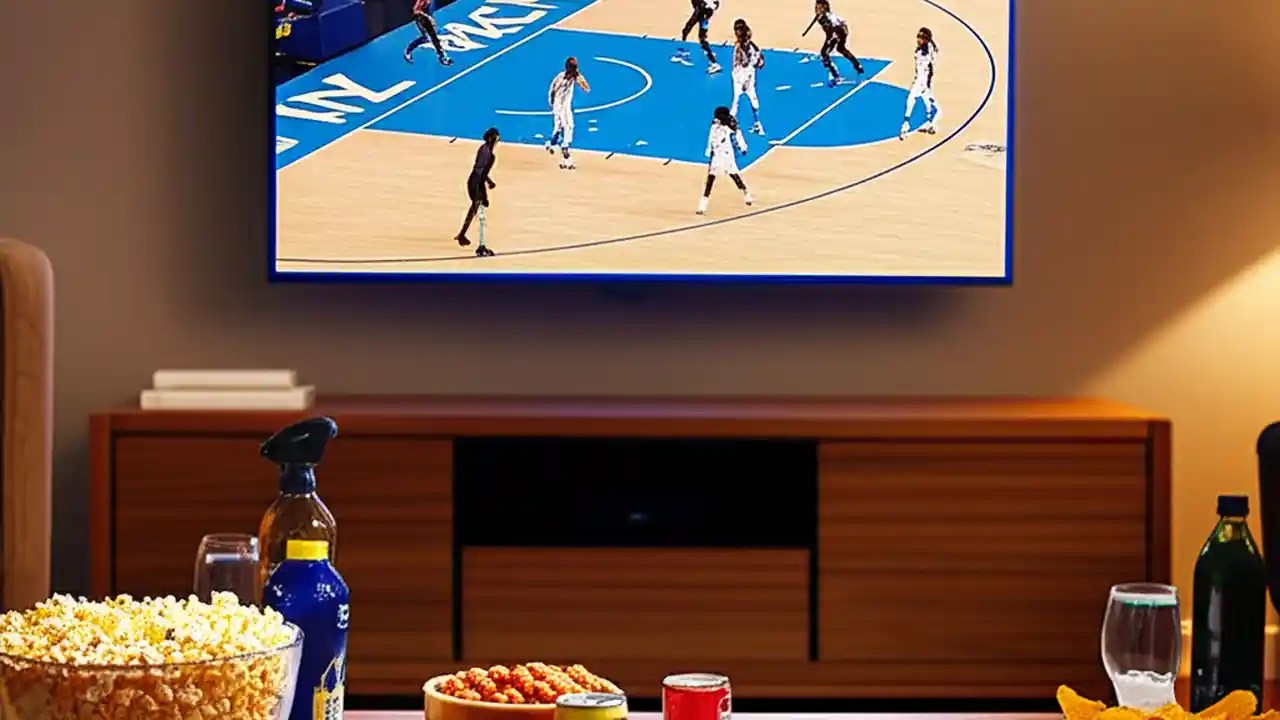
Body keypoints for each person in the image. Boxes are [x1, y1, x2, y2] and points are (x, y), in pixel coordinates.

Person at [698, 106, 753, 215]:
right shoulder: (714, 126)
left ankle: (745, 192)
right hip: (716, 154)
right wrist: (709, 149)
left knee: (734, 175)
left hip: (727, 155)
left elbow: (738, 137)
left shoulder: (730, 128)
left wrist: (743, 147)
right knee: (711, 178)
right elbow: (711, 137)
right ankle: (703, 202)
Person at [456, 128, 499, 256]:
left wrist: (488, 182)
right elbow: (483, 174)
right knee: (481, 217)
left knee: (474, 210)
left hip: (471, 180)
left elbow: (478, 169)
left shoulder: (482, 148)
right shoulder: (491, 156)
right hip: (477, 184)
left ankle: (462, 234)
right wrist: (486, 191)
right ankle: (481, 247)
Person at [545, 57, 590, 170]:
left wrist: (580, 79)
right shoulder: (560, 79)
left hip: (562, 107)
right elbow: (552, 91)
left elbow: (586, 87)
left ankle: (551, 144)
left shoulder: (573, 77)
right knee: (566, 128)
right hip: (560, 108)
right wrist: (552, 105)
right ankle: (566, 158)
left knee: (561, 129)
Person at [811, 0, 864, 87]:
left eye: (819, 7)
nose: (816, 9)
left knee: (824, 53)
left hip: (837, 32)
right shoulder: (827, 14)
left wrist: (830, 39)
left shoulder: (824, 18)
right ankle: (857, 65)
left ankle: (835, 75)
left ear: (824, 8)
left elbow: (830, 29)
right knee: (840, 48)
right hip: (843, 29)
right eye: (816, 7)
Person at [900, 27, 940, 139]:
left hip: (922, 79)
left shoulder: (926, 52)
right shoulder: (922, 49)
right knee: (927, 98)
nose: (918, 39)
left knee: (911, 98)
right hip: (920, 78)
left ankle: (905, 125)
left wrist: (925, 82)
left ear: (926, 39)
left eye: (921, 37)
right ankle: (930, 122)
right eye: (918, 36)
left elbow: (929, 67)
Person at [730, 18, 766, 135]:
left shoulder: (745, 47)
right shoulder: (749, 46)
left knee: (736, 101)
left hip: (743, 75)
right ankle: (757, 124)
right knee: (750, 99)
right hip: (744, 74)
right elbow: (759, 62)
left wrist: (755, 61)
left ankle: (733, 127)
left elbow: (749, 63)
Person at [672, 0, 721, 74]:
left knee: (701, 38)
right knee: (686, 31)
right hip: (701, 10)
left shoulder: (708, 5)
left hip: (703, 12)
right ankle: (683, 51)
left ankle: (714, 63)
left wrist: (708, 11)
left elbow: (715, 4)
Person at [403, 0, 453, 66]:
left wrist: (429, 16)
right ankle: (442, 56)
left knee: (431, 37)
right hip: (421, 18)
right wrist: (426, 16)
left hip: (427, 17)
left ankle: (442, 55)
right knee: (429, 37)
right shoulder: (420, 1)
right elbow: (415, 10)